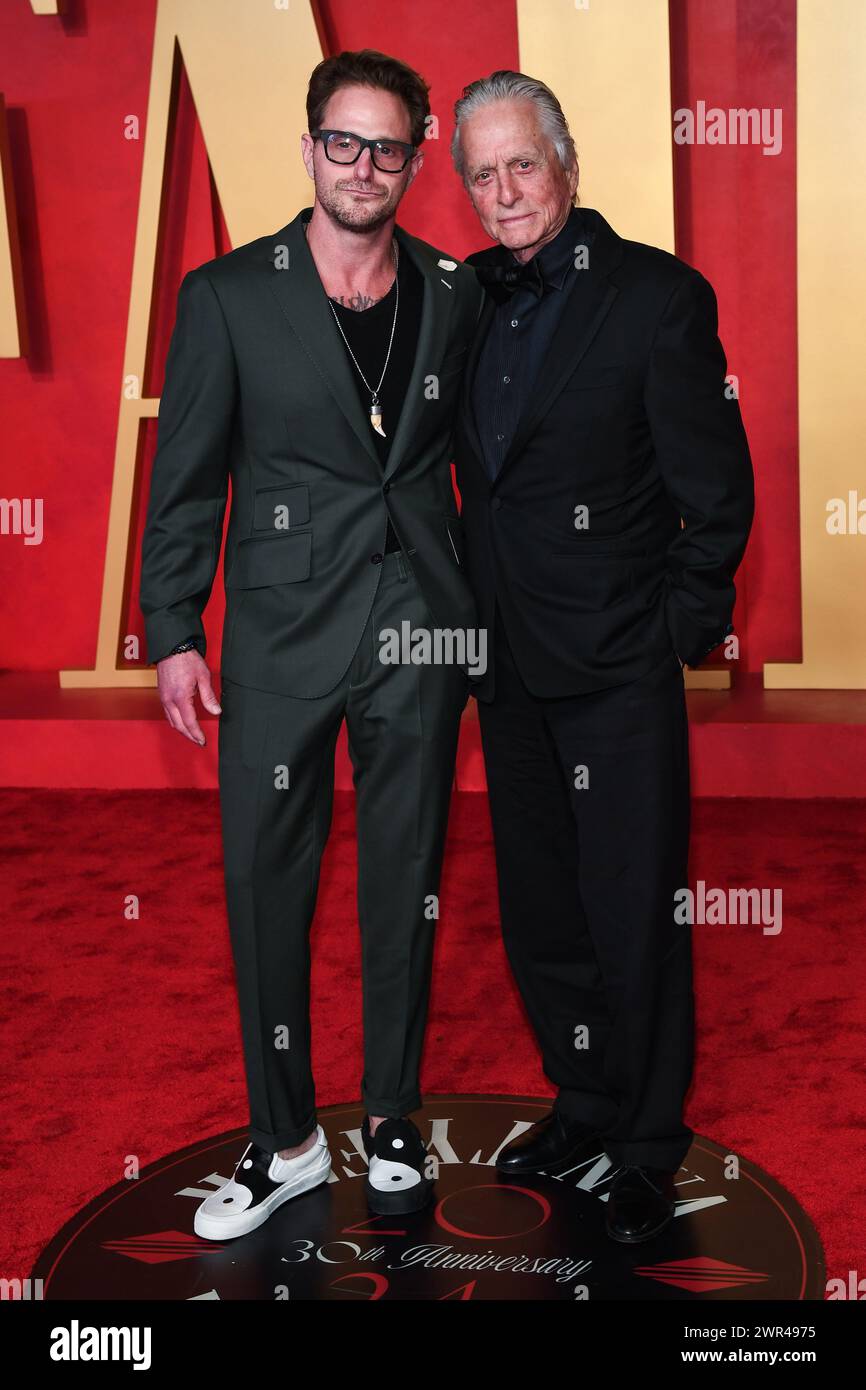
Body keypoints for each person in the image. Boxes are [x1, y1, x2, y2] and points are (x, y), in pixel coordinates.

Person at [139, 49, 483, 1238]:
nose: (362, 166)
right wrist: (173, 629)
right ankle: (283, 1138)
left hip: (418, 626)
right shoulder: (229, 295)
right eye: (343, 141)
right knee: (263, 886)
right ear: (308, 149)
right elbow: (185, 478)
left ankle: (390, 1115)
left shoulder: (453, 292)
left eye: (386, 146)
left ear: (413, 160)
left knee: (406, 877)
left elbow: (478, 462)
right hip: (279, 630)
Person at [450, 70, 754, 1243]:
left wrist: (665, 634)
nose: (504, 191)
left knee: (631, 906)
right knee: (541, 907)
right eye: (481, 173)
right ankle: (581, 1098)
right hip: (503, 658)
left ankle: (644, 1139)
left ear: (565, 164)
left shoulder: (657, 297)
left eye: (522, 163)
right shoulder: (464, 297)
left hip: (616, 661)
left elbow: (712, 492)